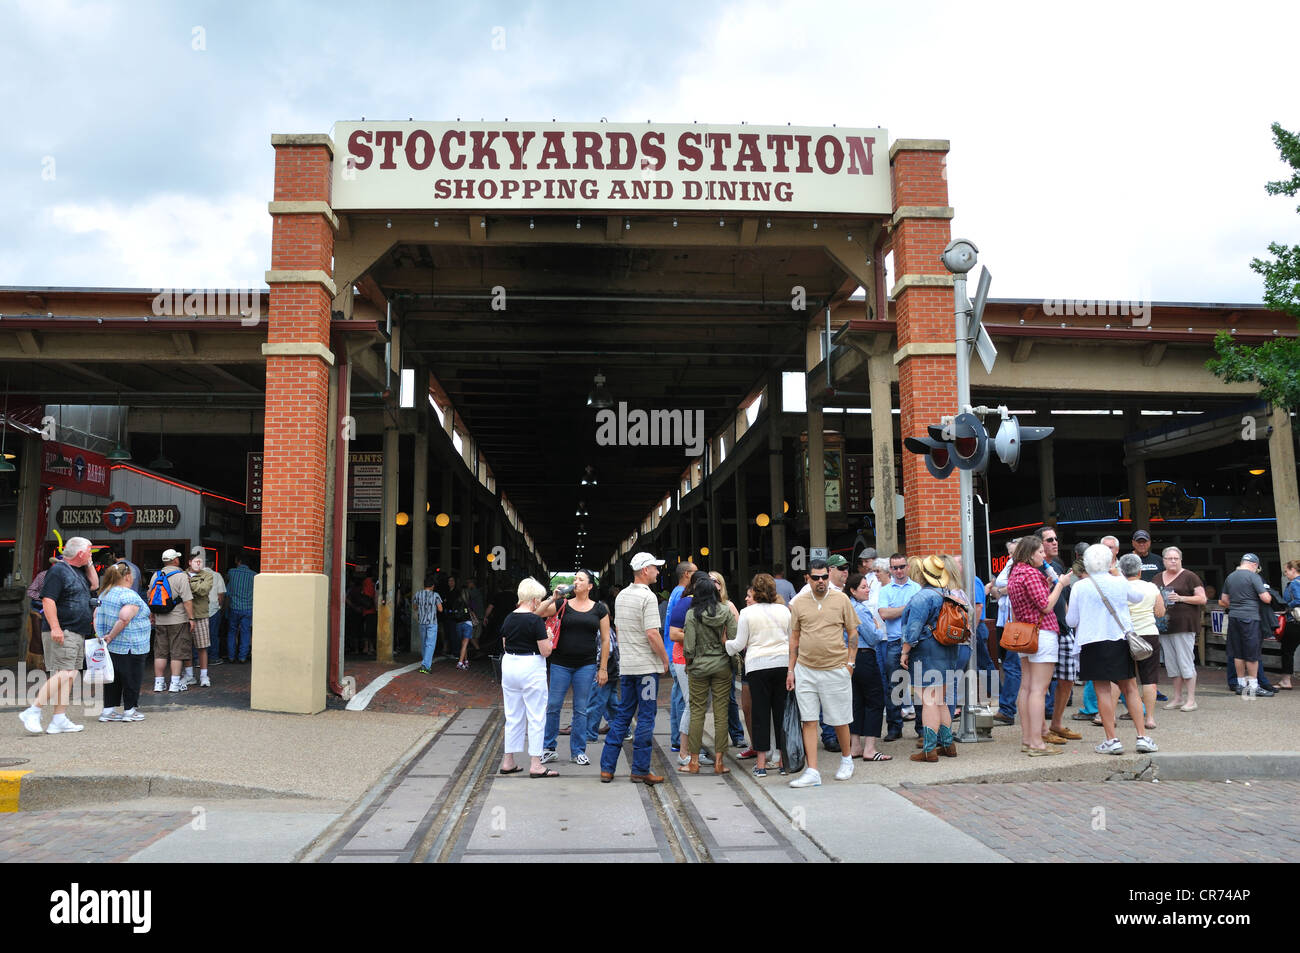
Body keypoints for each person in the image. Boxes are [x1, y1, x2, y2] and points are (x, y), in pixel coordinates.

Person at [1067, 544, 1152, 755]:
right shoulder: (1119, 582)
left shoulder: (1080, 586)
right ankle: (1142, 736)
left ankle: (1112, 739)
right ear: (1111, 562)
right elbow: (1137, 597)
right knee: (1130, 687)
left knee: (1102, 691)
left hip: (1091, 642)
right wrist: (1119, 574)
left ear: (1086, 563)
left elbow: (1071, 620)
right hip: (1119, 639)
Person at [785, 558, 858, 787]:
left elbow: (853, 632)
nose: (821, 581)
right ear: (808, 578)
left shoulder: (841, 599)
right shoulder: (799, 603)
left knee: (839, 719)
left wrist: (850, 664)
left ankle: (847, 759)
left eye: (824, 577)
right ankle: (813, 771)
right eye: (815, 577)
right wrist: (791, 669)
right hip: (806, 668)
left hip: (835, 667)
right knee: (808, 720)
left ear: (829, 576)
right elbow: (794, 638)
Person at [601, 553, 671, 785]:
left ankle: (607, 767)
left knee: (622, 714)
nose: (657, 572)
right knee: (646, 717)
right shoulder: (648, 597)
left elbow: (619, 629)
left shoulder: (621, 596)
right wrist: (664, 659)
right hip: (646, 669)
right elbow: (652, 633)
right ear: (644, 571)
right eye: (654, 568)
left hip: (628, 666)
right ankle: (640, 769)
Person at [20, 537, 98, 735]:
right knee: (66, 673)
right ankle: (33, 710)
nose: (91, 555)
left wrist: (88, 563)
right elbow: (48, 600)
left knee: (67, 676)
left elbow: (94, 585)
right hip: (63, 629)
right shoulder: (58, 571)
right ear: (80, 553)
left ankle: (59, 719)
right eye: (89, 551)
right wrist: (55, 627)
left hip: (77, 630)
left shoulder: (78, 571)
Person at [1006, 535, 1072, 756]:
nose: (1044, 556)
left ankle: (1028, 739)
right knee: (1039, 689)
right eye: (1041, 553)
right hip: (1042, 633)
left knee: (1026, 687)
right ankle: (1036, 743)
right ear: (1031, 553)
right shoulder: (1032, 574)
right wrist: (1060, 585)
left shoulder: (1015, 573)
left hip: (1025, 633)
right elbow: (1045, 606)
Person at [541, 570, 610, 766]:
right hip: (560, 663)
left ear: (590, 586)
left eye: (581, 579)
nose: (576, 581)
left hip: (586, 665)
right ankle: (549, 748)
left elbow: (606, 641)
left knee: (581, 709)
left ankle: (578, 750)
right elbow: (537, 613)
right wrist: (552, 597)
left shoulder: (599, 610)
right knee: (554, 705)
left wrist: (602, 668)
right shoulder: (562, 603)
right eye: (575, 579)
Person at [901, 555, 966, 762]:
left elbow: (913, 630)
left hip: (927, 653)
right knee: (941, 701)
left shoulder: (922, 597)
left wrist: (904, 651)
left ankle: (929, 749)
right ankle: (948, 745)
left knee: (928, 700)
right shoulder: (947, 594)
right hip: (947, 651)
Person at [727, 573, 791, 777]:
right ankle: (782, 761)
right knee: (781, 713)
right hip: (781, 664)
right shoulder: (784, 610)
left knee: (760, 714)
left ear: (755, 590)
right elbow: (791, 640)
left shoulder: (747, 612)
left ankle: (761, 764)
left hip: (757, 666)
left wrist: (725, 644)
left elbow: (739, 643)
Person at [497, 577, 559, 778]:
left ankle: (508, 760)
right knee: (536, 715)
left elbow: (506, 644)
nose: (540, 603)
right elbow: (546, 651)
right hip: (531, 667)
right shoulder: (534, 621)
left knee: (513, 715)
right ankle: (536, 763)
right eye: (539, 600)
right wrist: (548, 638)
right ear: (533, 600)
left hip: (510, 666)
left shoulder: (508, 618)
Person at [680, 576, 738, 774]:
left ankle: (694, 762)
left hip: (699, 667)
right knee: (721, 713)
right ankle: (720, 763)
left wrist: (689, 663)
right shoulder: (725, 611)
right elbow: (733, 639)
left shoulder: (691, 614)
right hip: (722, 665)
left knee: (697, 712)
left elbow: (688, 646)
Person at [94, 563, 151, 723]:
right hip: (131, 645)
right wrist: (111, 635)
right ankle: (129, 710)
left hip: (112, 646)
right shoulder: (129, 595)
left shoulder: (104, 593)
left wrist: (102, 635)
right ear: (127, 577)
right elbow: (125, 617)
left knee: (114, 678)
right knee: (131, 678)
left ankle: (109, 710)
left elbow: (96, 614)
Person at [668, 571, 712, 766]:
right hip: (684, 660)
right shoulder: (685, 602)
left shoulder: (708, 604)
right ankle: (685, 752)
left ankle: (693, 748)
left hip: (702, 661)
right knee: (692, 704)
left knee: (700, 705)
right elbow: (673, 634)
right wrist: (701, 638)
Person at [845, 571, 890, 762]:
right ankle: (870, 748)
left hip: (850, 658)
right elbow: (872, 637)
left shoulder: (846, 607)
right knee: (875, 700)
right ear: (853, 590)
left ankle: (855, 745)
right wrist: (879, 630)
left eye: (867, 586)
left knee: (857, 701)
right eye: (863, 587)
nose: (868, 589)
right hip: (864, 656)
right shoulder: (861, 610)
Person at [877, 553, 920, 742]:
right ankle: (895, 728)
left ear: (907, 567)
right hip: (894, 642)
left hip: (917, 643)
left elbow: (921, 615)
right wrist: (909, 608)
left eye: (902, 566)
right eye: (895, 568)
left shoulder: (917, 588)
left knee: (920, 685)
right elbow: (884, 614)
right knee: (894, 686)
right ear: (890, 569)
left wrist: (898, 611)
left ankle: (921, 727)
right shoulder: (885, 590)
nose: (899, 571)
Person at [1219, 553, 1274, 698]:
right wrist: (1269, 595)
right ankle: (1254, 686)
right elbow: (1266, 598)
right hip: (1250, 618)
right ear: (1254, 565)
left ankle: (1241, 684)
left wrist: (1237, 606)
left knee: (1238, 653)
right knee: (1252, 653)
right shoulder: (1253, 576)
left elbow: (1224, 600)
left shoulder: (1230, 577)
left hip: (1234, 617)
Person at [1120, 553, 1164, 731]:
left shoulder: (1118, 587)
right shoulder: (1152, 587)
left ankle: (1103, 715)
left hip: (1125, 635)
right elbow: (1160, 612)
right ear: (1139, 571)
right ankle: (1150, 718)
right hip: (1148, 634)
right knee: (1149, 678)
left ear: (1122, 571)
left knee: (1120, 677)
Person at [1158, 547, 1206, 708]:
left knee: (1185, 661)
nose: (1173, 561)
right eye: (1169, 558)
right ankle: (1177, 698)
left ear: (1180, 560)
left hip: (1184, 625)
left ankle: (1191, 699)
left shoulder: (1190, 576)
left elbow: (1202, 599)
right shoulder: (1158, 577)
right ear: (1163, 560)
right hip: (1164, 626)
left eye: (1176, 558)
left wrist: (1181, 598)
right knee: (1171, 663)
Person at [709, 570, 749, 752]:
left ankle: (737, 735)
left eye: (715, 581)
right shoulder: (699, 606)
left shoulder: (729, 606)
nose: (712, 584)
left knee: (729, 697)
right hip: (708, 658)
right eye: (708, 581)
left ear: (721, 585)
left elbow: (740, 634)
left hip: (726, 658)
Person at [149, 549, 196, 694]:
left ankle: (159, 683)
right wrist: (191, 618)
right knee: (177, 652)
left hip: (160, 620)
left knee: (160, 652)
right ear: (175, 560)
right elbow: (187, 601)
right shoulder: (181, 576)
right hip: (178, 619)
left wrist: (152, 615)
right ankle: (174, 684)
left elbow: (151, 597)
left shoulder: (155, 576)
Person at [665, 561, 697, 758]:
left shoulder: (676, 592)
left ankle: (678, 739)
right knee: (685, 700)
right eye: (696, 572)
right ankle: (679, 739)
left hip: (673, 652)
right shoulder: (683, 595)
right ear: (687, 574)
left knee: (679, 695)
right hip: (679, 653)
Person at [988, 538, 1021, 725]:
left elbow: (1012, 588)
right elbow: (995, 588)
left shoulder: (1023, 567)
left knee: (1012, 666)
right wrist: (1001, 590)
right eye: (1009, 552)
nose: (1010, 556)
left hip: (1016, 623)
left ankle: (1008, 709)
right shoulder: (1010, 564)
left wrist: (1002, 590)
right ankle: (1006, 706)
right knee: (1009, 665)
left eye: (1014, 552)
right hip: (1005, 621)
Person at [185, 550, 217, 687]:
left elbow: (204, 590)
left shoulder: (208, 575)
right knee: (185, 648)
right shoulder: (182, 575)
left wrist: (189, 584)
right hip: (185, 616)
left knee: (202, 647)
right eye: (196, 561)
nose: (199, 564)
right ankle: (189, 675)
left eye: (201, 562)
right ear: (190, 562)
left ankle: (204, 676)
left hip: (201, 615)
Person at [226, 553, 256, 663]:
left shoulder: (231, 572)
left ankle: (231, 656)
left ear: (238, 561)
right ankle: (242, 657)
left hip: (234, 607)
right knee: (245, 632)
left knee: (232, 632)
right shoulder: (254, 575)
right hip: (248, 608)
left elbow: (228, 590)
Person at [414, 574, 444, 674]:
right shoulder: (435, 595)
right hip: (432, 622)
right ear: (432, 586)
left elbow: (414, 607)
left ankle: (425, 663)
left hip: (422, 621)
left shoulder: (418, 594)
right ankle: (425, 666)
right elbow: (440, 609)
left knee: (423, 643)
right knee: (430, 644)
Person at [1279, 561, 1300, 691]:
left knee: (1287, 650)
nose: (1285, 574)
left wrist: (1286, 608)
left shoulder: (1294, 584)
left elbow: (1299, 599)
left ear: (1293, 570)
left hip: (1295, 621)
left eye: (1286, 571)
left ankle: (1286, 681)